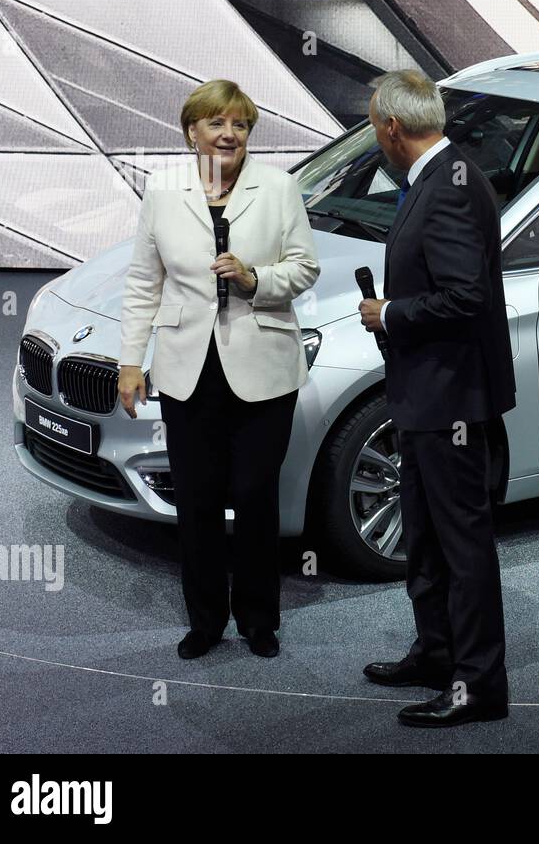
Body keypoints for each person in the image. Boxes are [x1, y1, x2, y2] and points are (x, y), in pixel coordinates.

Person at [117, 79, 320, 660]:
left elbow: (305, 269)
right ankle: (205, 620)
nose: (229, 134)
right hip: (187, 366)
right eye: (217, 123)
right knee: (198, 499)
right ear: (191, 133)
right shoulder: (162, 190)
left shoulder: (279, 188)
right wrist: (132, 360)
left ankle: (259, 618)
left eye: (240, 125)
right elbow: (142, 282)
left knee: (255, 493)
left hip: (263, 364)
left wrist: (256, 278)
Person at [358, 70, 516, 727]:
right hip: (427, 395)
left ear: (392, 128)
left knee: (461, 544)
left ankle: (478, 687)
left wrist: (390, 314)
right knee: (424, 538)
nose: (375, 136)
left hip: (449, 400)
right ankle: (437, 651)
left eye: (374, 125)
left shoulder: (447, 188)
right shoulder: (440, 177)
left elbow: (465, 297)